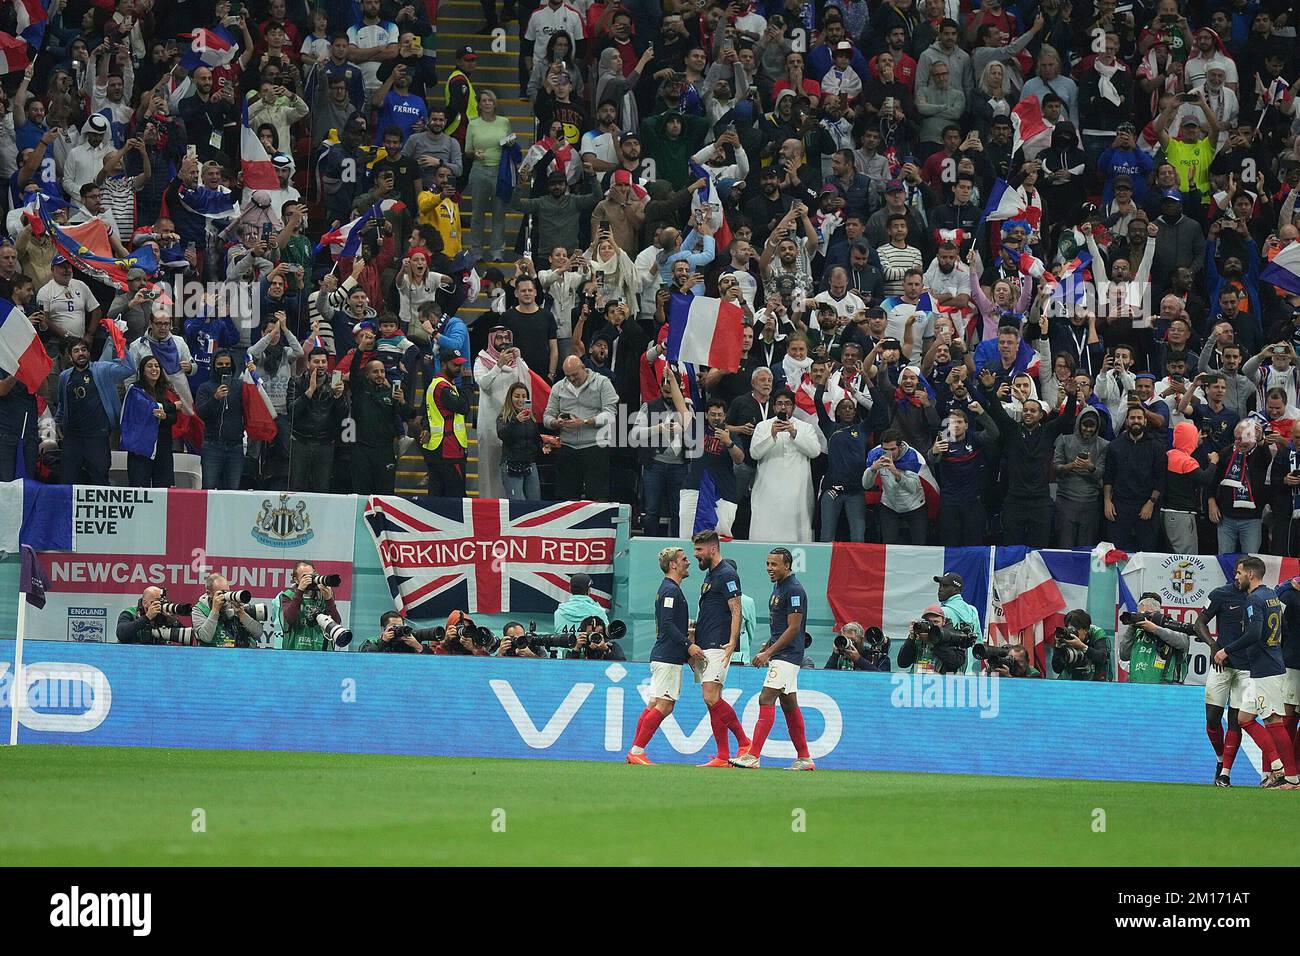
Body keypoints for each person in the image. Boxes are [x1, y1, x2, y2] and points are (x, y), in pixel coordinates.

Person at [1215, 557, 1297, 788]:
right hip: (1267, 666)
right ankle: (1279, 767)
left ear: (1250, 575)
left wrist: (1226, 650)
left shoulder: (1253, 599)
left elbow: (1254, 633)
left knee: (1273, 720)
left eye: (1239, 573)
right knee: (1244, 718)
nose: (1236, 577)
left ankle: (1290, 777)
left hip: (1266, 670)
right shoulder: (1272, 595)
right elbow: (1286, 629)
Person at [731, 548, 815, 771]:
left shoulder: (794, 590)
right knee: (789, 704)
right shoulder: (779, 587)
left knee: (765, 698)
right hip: (781, 652)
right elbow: (780, 628)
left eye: (774, 564)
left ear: (787, 565)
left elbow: (794, 628)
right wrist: (768, 645)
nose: (769, 568)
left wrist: (769, 653)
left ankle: (753, 755)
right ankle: (805, 758)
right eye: (768, 564)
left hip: (787, 655)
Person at [626, 547, 702, 765]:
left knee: (654, 704)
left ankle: (635, 750)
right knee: (665, 706)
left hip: (665, 655)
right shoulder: (670, 591)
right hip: (667, 656)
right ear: (673, 565)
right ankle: (637, 751)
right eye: (684, 559)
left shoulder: (669, 589)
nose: (688, 562)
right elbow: (667, 624)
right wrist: (689, 646)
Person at [690, 531, 751, 768]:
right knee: (711, 701)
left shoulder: (727, 573)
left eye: (699, 550)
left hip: (719, 644)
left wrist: (732, 641)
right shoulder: (710, 574)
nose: (696, 555)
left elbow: (736, 609)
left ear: (713, 549)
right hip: (706, 644)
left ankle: (744, 742)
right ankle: (723, 755)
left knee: (711, 696)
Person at [57, 340, 137, 486]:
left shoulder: (102, 370)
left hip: (97, 438)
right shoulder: (64, 377)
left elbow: (130, 368)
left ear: (88, 353)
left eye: (83, 350)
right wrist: (58, 426)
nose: (81, 353)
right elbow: (62, 405)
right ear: (70, 357)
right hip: (72, 439)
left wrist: (119, 341)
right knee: (66, 482)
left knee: (100, 481)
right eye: (76, 351)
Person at [749, 389, 821, 543]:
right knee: (765, 533)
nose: (783, 408)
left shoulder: (805, 427)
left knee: (796, 535)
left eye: (787, 404)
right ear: (774, 407)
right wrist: (772, 434)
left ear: (793, 407)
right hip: (767, 492)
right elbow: (754, 454)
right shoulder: (763, 426)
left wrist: (794, 433)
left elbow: (815, 451)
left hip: (797, 492)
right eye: (780, 404)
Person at [543, 355, 618, 501]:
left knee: (597, 496)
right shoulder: (558, 387)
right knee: (567, 498)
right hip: (567, 447)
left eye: (575, 375)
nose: (571, 379)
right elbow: (547, 416)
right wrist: (556, 423)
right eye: (568, 376)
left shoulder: (602, 383)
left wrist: (585, 422)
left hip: (595, 446)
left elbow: (611, 414)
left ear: (583, 367)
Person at [475, 326, 532, 500]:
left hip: (514, 423)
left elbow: (526, 385)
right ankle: (489, 506)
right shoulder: (481, 360)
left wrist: (519, 359)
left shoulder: (518, 362)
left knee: (511, 470)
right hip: (490, 422)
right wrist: (498, 365)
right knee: (490, 469)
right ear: (492, 340)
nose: (503, 342)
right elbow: (483, 384)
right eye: (499, 338)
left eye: (506, 338)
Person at [1102, 405, 1166, 552]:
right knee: (1116, 551)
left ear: (1145, 421)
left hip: (1146, 505)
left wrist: (1151, 503)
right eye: (1132, 418)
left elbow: (1161, 479)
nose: (1135, 421)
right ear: (1126, 421)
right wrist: (1107, 501)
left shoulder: (1156, 447)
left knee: (1147, 550)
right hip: (1120, 505)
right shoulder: (1115, 446)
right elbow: (1108, 476)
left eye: (1139, 418)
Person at [287, 347, 346, 493]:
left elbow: (344, 416)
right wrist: (309, 391)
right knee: (297, 486)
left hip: (325, 443)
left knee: (322, 487)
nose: (320, 365)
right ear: (308, 364)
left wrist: (339, 397)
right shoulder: (296, 381)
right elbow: (292, 412)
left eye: (323, 361)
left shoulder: (335, 382)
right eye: (316, 361)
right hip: (300, 441)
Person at [422, 348, 471, 499]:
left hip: (440, 447)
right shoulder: (443, 387)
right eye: (455, 365)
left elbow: (427, 412)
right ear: (443, 364)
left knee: (437, 496)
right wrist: (468, 383)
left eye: (460, 365)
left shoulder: (439, 384)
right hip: (448, 450)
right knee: (455, 497)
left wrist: (426, 427)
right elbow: (463, 407)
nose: (459, 369)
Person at [1119, 595, 1191, 684]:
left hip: (1165, 686)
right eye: (1140, 614)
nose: (1142, 618)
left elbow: (1184, 643)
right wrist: (1131, 628)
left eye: (1146, 614)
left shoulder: (1169, 626)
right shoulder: (1136, 632)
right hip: (1136, 685)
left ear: (1156, 614)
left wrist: (1155, 629)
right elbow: (1124, 656)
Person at [277, 562, 342, 652]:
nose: (310, 580)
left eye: (312, 576)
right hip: (295, 650)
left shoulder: (323, 594)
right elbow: (289, 618)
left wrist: (329, 599)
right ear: (296, 580)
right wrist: (300, 591)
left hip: (321, 650)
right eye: (305, 577)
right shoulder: (289, 595)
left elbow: (336, 622)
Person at [192, 573, 265, 649]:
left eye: (227, 592)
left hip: (242, 655)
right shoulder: (199, 609)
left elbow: (258, 633)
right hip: (212, 656)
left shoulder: (236, 603)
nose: (225, 596)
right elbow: (205, 637)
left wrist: (241, 614)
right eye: (222, 593)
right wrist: (215, 611)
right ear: (209, 593)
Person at [496, 382, 542, 501]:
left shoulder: (531, 417)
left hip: (530, 463)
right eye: (517, 396)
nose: (520, 399)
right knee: (518, 503)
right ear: (510, 398)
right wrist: (516, 421)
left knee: (535, 502)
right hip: (511, 464)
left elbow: (535, 438)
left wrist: (544, 445)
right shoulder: (504, 417)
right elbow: (502, 435)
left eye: (524, 396)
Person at [1051, 610, 1111, 682]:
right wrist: (1058, 648)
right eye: (1069, 629)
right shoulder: (1064, 636)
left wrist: (1082, 647)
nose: (1071, 634)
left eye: (1074, 631)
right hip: (1070, 680)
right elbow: (1057, 669)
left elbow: (1102, 657)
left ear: (1086, 630)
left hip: (1096, 681)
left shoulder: (1097, 633)